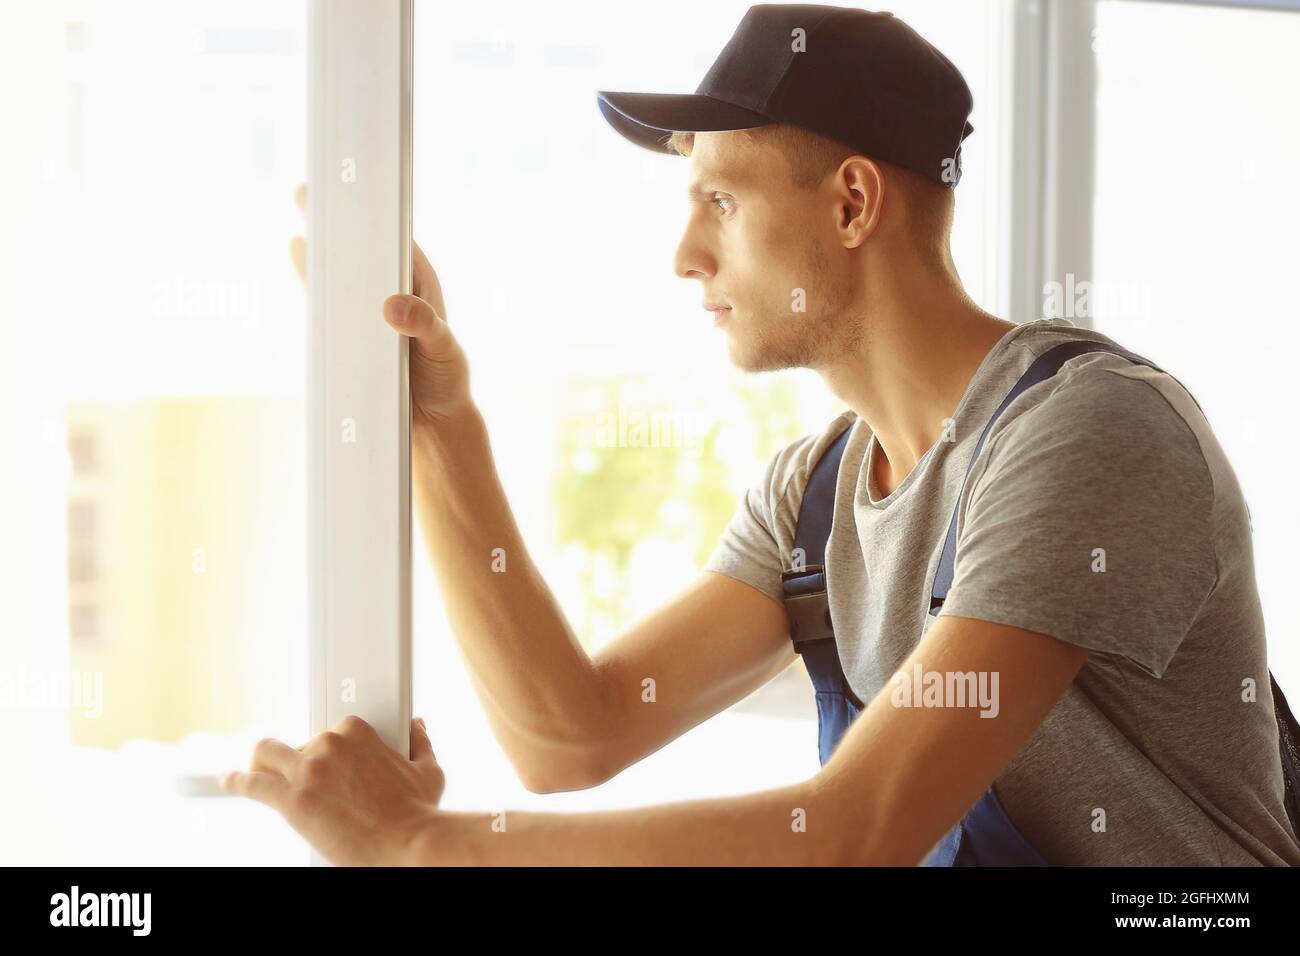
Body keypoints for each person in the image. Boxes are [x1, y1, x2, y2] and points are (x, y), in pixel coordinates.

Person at [221, 4, 1300, 866]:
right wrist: (441, 427)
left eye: (719, 202)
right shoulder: (817, 494)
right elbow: (569, 734)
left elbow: (852, 830)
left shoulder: (1085, 429)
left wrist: (417, 844)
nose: (684, 255)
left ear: (850, 205)